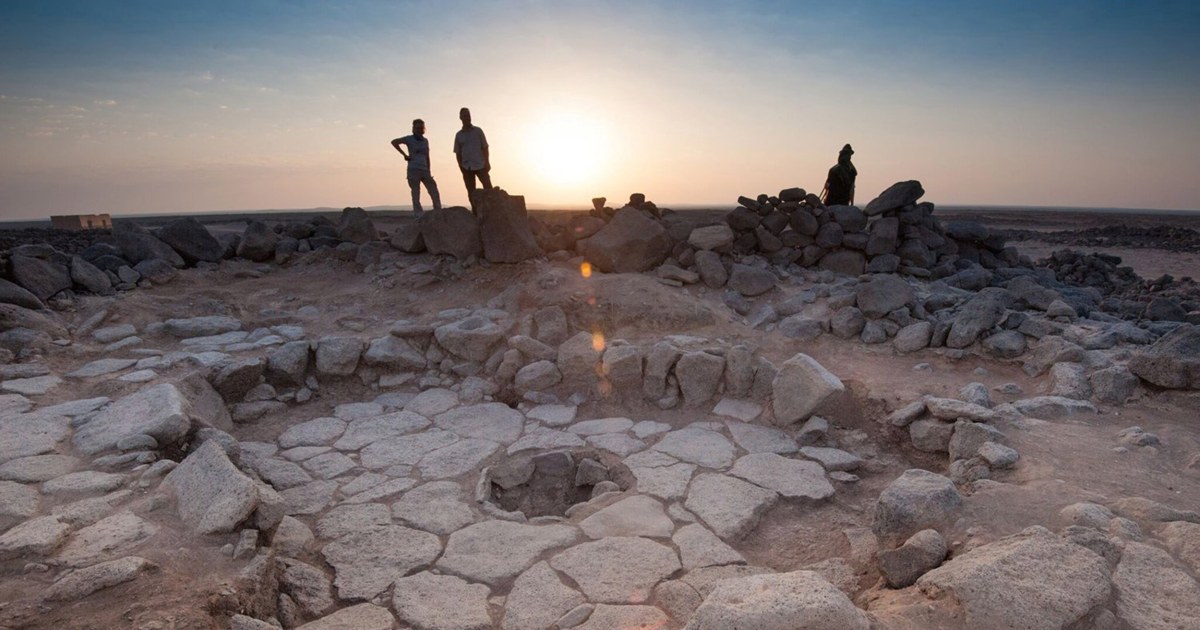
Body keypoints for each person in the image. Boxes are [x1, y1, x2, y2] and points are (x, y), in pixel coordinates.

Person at [391, 119, 441, 217]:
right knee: (415, 192)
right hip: (413, 169)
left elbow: (427, 156)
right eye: (417, 128)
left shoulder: (425, 141)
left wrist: (429, 169)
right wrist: (404, 154)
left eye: (421, 128)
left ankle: (438, 211)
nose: (419, 130)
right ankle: (418, 214)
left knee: (433, 190)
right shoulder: (409, 139)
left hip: (424, 169)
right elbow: (394, 142)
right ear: (413, 129)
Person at [453, 107, 491, 212]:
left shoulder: (478, 131)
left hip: (481, 165)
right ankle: (475, 213)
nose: (467, 117)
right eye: (464, 115)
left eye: (468, 115)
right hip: (467, 167)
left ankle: (492, 211)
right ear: (460, 117)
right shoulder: (459, 135)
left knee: (488, 189)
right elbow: (458, 153)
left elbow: (485, 147)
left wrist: (487, 162)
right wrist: (461, 167)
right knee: (471, 192)